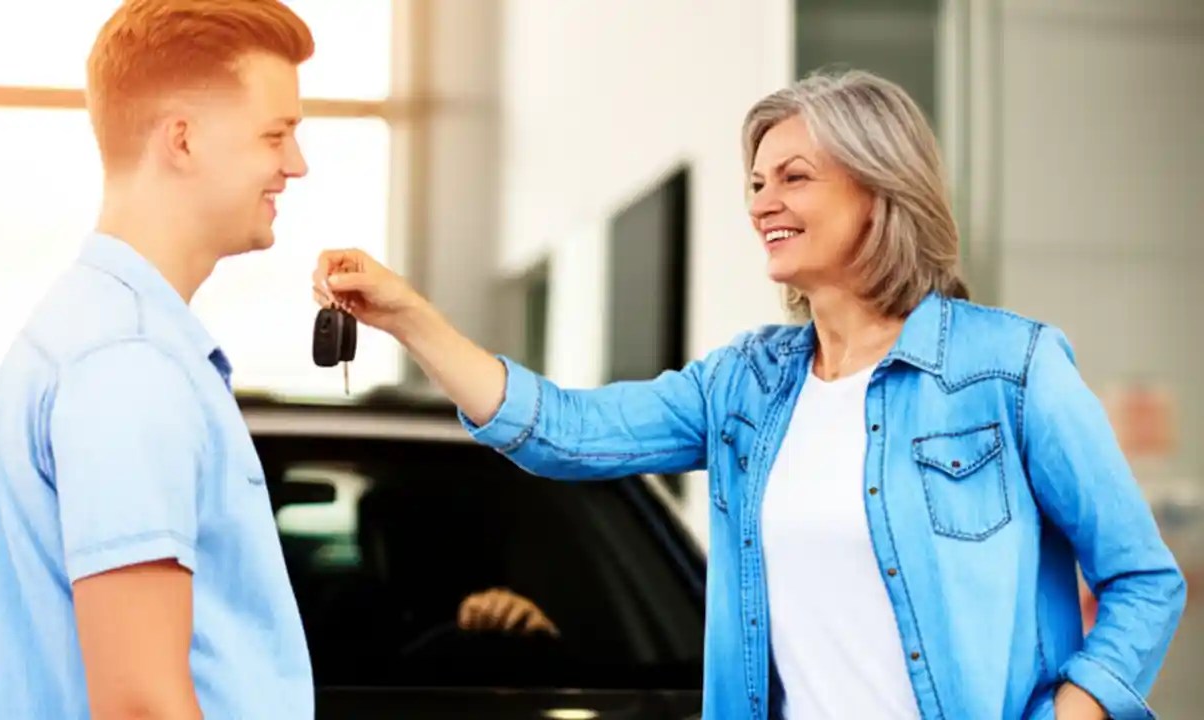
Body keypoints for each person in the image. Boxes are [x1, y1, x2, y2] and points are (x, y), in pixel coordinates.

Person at [314, 69, 1187, 719]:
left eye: (795, 177)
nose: (763, 200)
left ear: (880, 188)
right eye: (757, 181)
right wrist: (409, 316)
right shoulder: (748, 384)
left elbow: (1144, 582)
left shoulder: (1011, 368)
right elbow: (562, 432)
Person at [0, 1, 316, 717]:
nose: (296, 164)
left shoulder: (101, 338)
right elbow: (140, 703)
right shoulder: (126, 364)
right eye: (275, 134)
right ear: (183, 141)